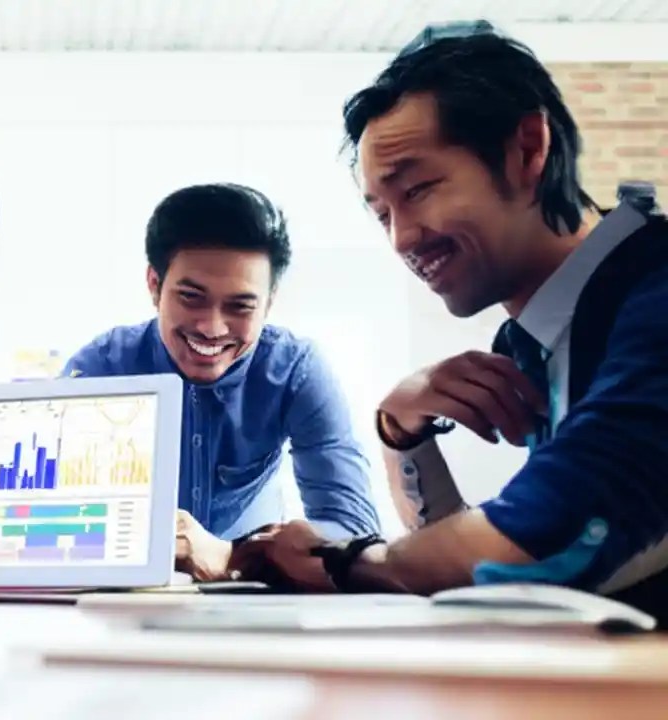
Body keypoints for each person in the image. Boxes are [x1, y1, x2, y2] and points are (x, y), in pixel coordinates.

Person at [247, 27, 668, 621]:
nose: (401, 239)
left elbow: (535, 543)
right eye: (382, 214)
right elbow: (476, 572)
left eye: (418, 189)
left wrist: (343, 559)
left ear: (527, 150)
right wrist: (402, 431)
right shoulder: (536, 339)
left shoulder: (654, 295)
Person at [62, 183, 380, 581]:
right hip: (127, 598)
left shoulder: (297, 371)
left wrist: (236, 555)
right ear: (154, 286)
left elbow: (355, 534)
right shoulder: (100, 368)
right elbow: (58, 525)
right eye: (191, 298)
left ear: (270, 301)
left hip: (253, 598)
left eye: (239, 306)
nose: (212, 328)